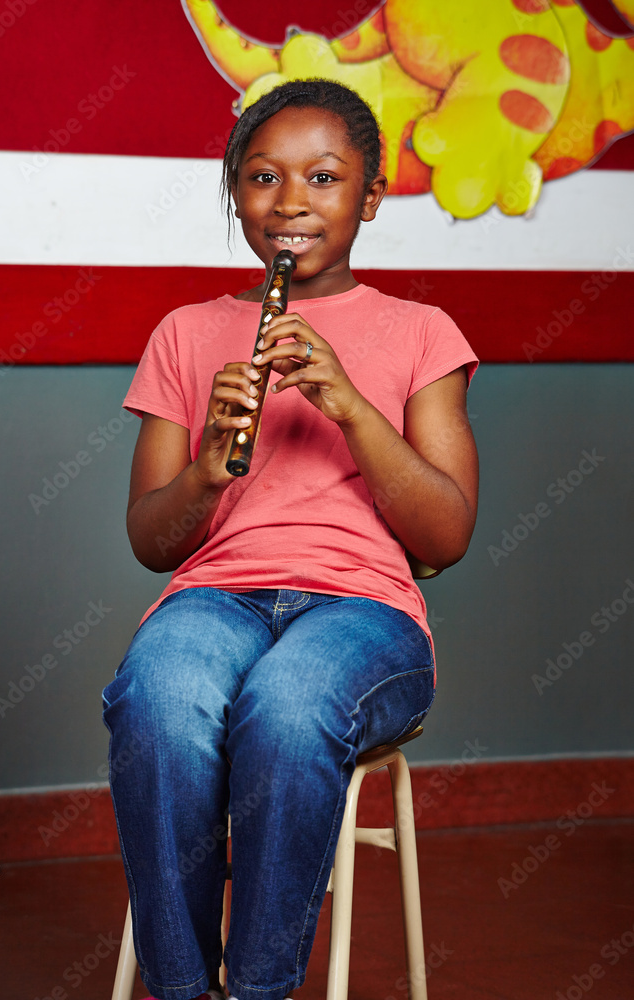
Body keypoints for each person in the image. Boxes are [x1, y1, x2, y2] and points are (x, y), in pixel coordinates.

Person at [102, 78, 479, 1000]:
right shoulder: (185, 334)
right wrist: (206, 468)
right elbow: (153, 542)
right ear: (236, 194)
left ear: (371, 197)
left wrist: (348, 404)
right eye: (263, 178)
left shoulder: (421, 333)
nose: (290, 204)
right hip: (215, 598)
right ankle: (186, 989)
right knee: (158, 695)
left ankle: (261, 989)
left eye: (323, 178)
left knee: (287, 704)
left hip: (363, 611)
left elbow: (447, 531)